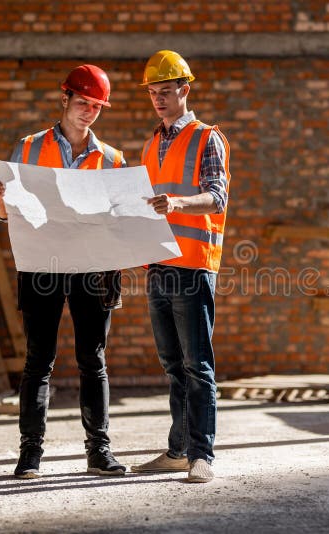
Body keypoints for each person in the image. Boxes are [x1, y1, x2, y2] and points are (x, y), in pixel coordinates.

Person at [0, 64, 126, 479]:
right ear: (65, 99)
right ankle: (30, 454)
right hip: (41, 265)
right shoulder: (28, 149)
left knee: (93, 360)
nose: (89, 112)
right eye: (83, 102)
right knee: (38, 360)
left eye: (97, 106)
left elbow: (121, 218)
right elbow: (10, 215)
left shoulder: (112, 159)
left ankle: (99, 452)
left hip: (92, 268)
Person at [131, 50, 231, 483]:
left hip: (192, 266)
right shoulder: (150, 144)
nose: (158, 98)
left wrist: (177, 203)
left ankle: (201, 455)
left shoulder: (206, 138)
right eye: (153, 92)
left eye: (166, 91)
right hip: (158, 266)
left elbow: (217, 197)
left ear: (185, 90)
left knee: (197, 365)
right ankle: (178, 450)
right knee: (173, 366)